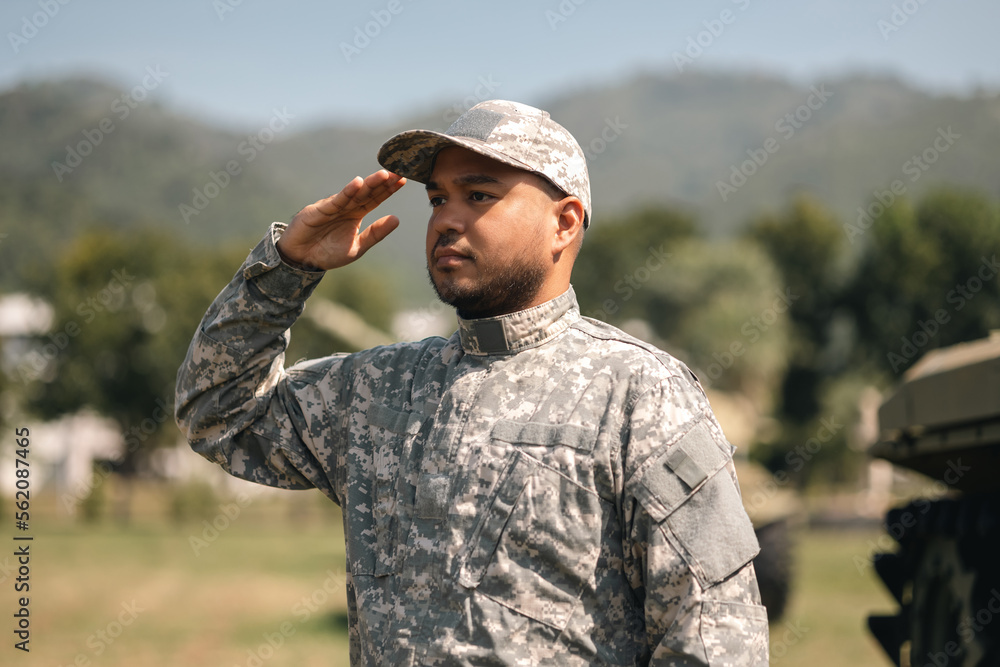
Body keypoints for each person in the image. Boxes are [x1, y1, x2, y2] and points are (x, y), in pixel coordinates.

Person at [175, 100, 769, 665]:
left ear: (564, 223)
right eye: (437, 199)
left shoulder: (638, 392)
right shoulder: (379, 388)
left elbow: (714, 631)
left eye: (479, 195)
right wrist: (286, 270)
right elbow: (219, 413)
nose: (445, 220)